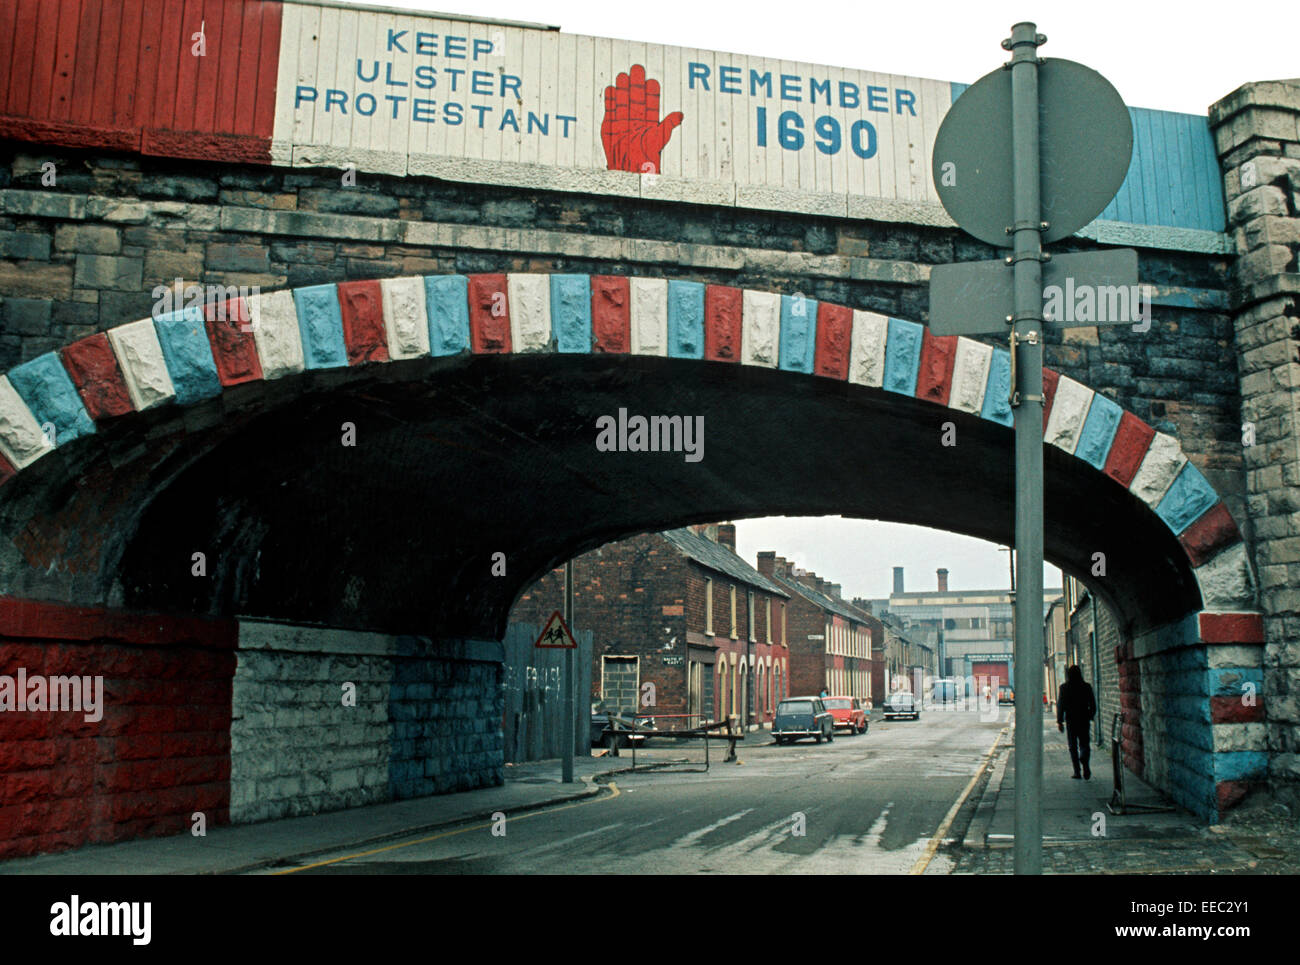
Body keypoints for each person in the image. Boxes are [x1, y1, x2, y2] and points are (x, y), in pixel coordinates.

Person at [1057, 665, 1097, 779]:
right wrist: (1090, 716)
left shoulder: (1064, 688)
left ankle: (1077, 772)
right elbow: (1093, 705)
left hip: (1071, 721)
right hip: (1084, 720)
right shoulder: (1086, 686)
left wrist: (1060, 721)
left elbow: (1060, 706)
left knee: (1072, 746)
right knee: (1085, 743)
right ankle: (1085, 763)